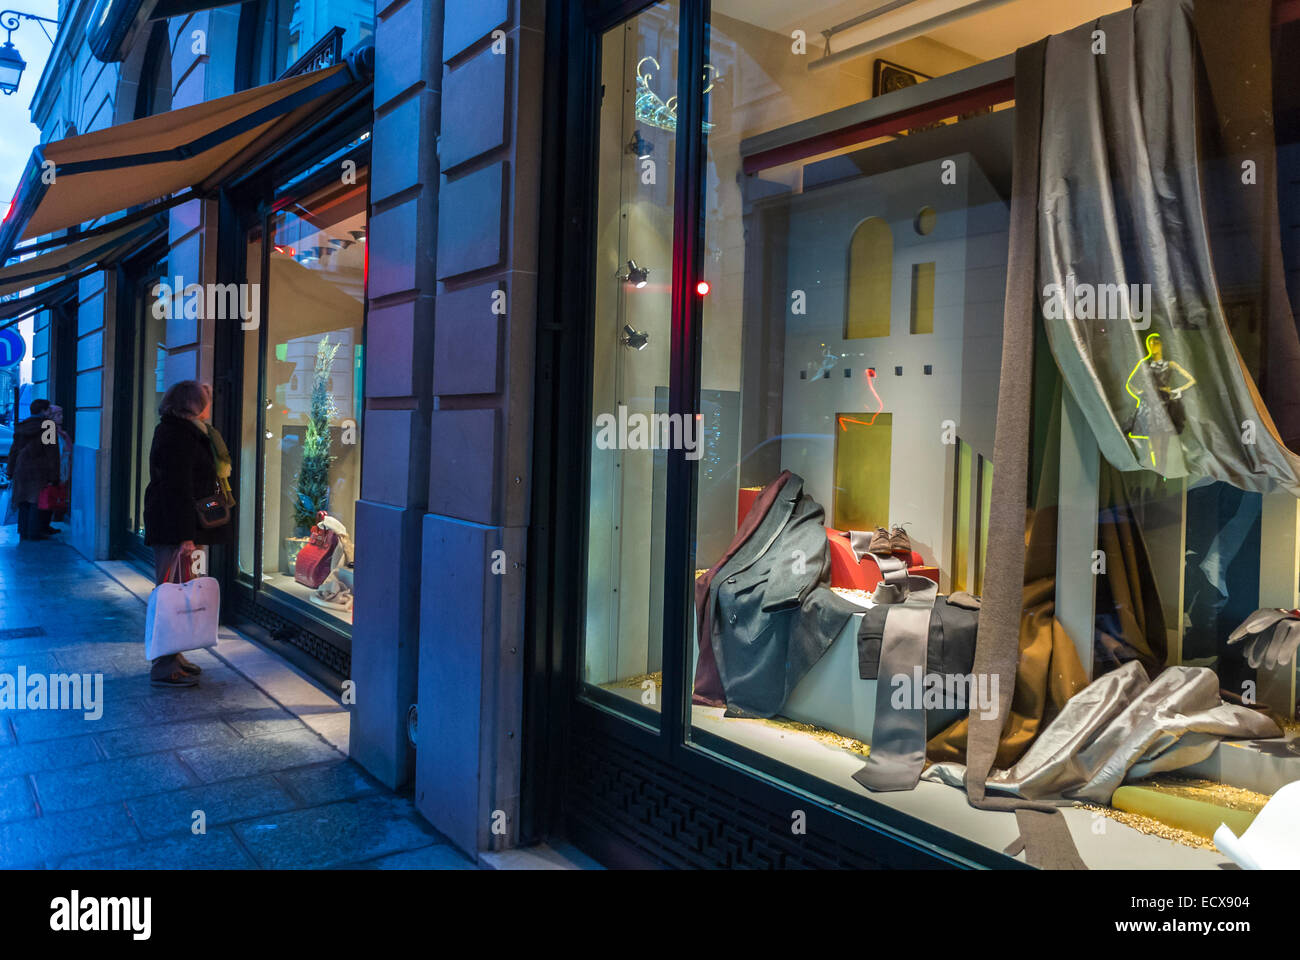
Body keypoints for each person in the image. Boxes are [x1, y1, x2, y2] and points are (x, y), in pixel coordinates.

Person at [143, 380, 232, 687]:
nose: (210, 404)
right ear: (193, 405)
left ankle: (174, 655)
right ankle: (163, 665)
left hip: (179, 524)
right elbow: (177, 488)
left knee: (180, 588)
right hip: (174, 526)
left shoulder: (185, 431)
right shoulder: (177, 435)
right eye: (205, 399)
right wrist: (184, 536)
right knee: (170, 592)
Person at [7, 399, 60, 542]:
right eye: (48, 409)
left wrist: (10, 469)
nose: (49, 412)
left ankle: (23, 531)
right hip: (39, 469)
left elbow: (14, 450)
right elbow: (51, 452)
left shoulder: (22, 426)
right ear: (43, 410)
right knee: (36, 501)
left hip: (21, 468)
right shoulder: (48, 426)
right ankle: (34, 533)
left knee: (23, 500)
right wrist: (54, 475)